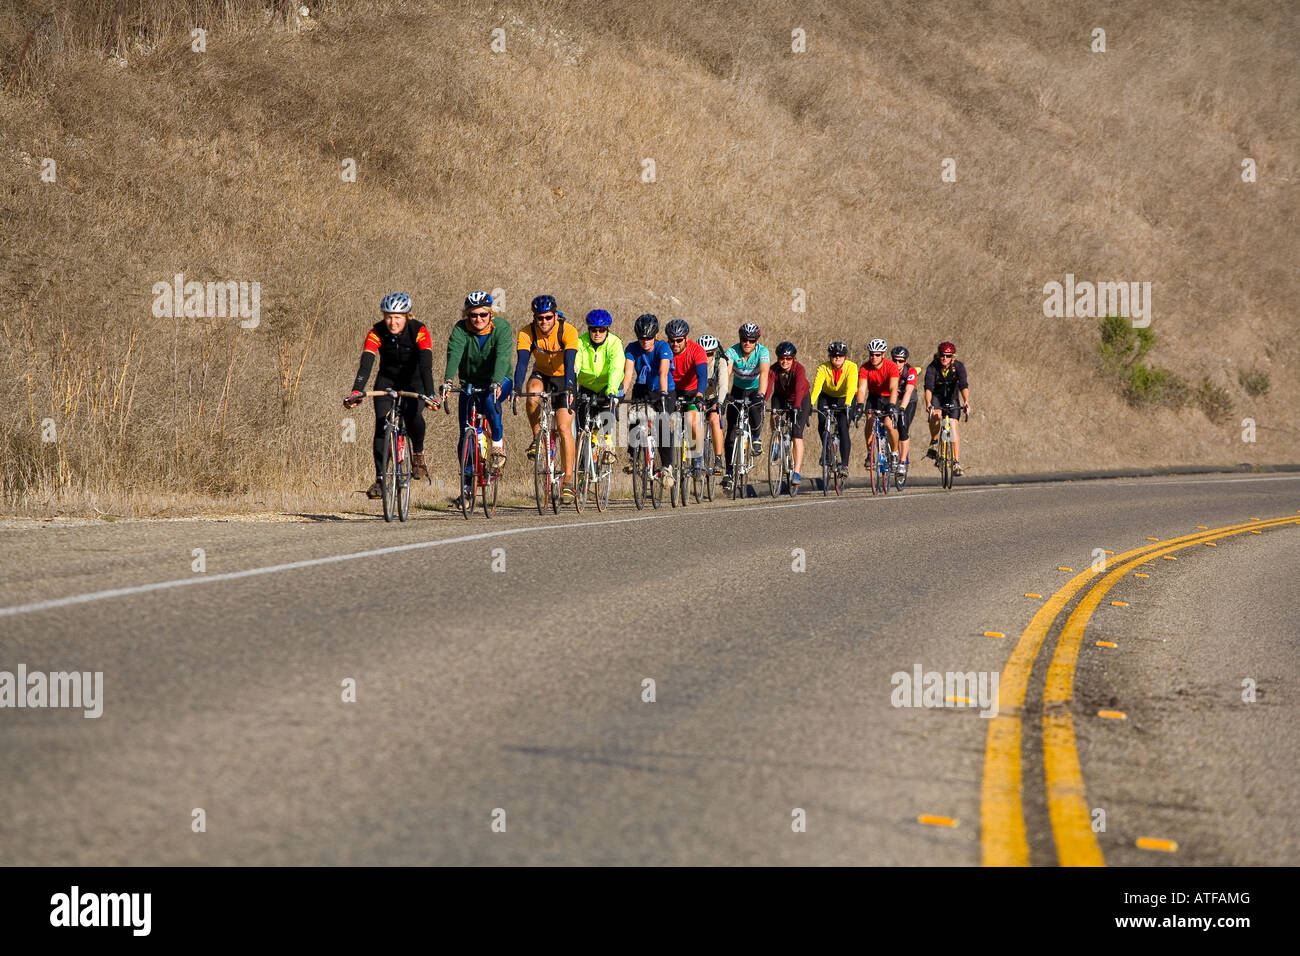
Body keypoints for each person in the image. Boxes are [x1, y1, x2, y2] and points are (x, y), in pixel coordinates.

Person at [344, 293, 438, 499]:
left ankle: (418, 455)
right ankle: (380, 480)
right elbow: (366, 362)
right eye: (388, 317)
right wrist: (356, 390)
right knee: (381, 425)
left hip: (414, 382)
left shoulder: (419, 330)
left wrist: (430, 394)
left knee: (414, 417)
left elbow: (425, 365)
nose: (392, 322)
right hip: (386, 381)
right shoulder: (376, 331)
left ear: (407, 316)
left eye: (397, 317)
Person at [442, 291, 513, 501]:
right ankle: (466, 487)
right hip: (470, 384)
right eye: (473, 315)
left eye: (483, 314)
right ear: (467, 315)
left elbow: (502, 356)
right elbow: (454, 353)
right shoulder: (460, 329)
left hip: (500, 379)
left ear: (491, 314)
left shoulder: (502, 328)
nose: (478, 319)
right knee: (466, 433)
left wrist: (497, 382)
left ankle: (497, 445)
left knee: (490, 401)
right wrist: (448, 381)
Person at [515, 294, 579, 502]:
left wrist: (569, 388)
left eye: (548, 317)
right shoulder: (527, 332)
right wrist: (516, 388)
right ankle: (537, 439)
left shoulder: (568, 331)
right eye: (539, 318)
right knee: (532, 392)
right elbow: (523, 363)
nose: (543, 322)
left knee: (562, 428)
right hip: (542, 373)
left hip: (564, 377)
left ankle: (568, 480)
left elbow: (570, 363)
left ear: (555, 316)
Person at [620, 313, 674, 483]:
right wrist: (620, 394)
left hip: (663, 389)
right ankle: (633, 457)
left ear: (656, 336)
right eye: (642, 338)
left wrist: (664, 397)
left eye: (649, 338)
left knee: (661, 424)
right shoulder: (631, 348)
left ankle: (667, 467)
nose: (645, 341)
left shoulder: (663, 347)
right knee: (634, 418)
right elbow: (628, 374)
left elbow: (663, 373)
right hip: (642, 388)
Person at [721, 322, 771, 491]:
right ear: (740, 339)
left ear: (756, 341)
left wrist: (762, 394)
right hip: (737, 390)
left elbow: (764, 373)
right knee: (730, 433)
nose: (747, 343)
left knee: (756, 407)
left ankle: (756, 439)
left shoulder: (762, 352)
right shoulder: (732, 352)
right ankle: (728, 471)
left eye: (751, 340)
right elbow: (726, 373)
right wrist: (724, 394)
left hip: (754, 389)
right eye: (744, 340)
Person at [574, 308, 624, 467]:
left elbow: (615, 369)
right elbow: (575, 365)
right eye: (593, 329)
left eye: (602, 330)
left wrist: (611, 391)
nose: (597, 333)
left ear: (607, 329)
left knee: (607, 412)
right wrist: (570, 387)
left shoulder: (615, 343)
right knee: (581, 426)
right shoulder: (580, 342)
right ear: (588, 329)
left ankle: (608, 444)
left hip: (608, 385)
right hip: (587, 386)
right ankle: (583, 467)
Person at [664, 319, 708, 478]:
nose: (675, 344)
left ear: (686, 338)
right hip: (672, 390)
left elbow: (702, 374)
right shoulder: (664, 350)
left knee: (692, 419)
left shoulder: (697, 350)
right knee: (665, 422)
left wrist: (700, 395)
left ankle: (696, 459)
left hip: (692, 391)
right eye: (672, 340)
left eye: (679, 340)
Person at [764, 341, 811, 488]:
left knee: (797, 434)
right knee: (774, 415)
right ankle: (777, 441)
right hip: (780, 397)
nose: (785, 361)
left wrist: (796, 407)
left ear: (794, 359)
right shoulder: (773, 369)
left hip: (800, 398)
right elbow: (768, 387)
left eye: (788, 358)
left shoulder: (799, 369)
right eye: (782, 358)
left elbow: (798, 389)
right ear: (778, 358)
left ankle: (796, 472)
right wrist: (763, 402)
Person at [809, 341, 858, 477]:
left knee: (843, 428)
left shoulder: (851, 367)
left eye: (841, 356)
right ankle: (828, 450)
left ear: (845, 357)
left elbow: (851, 387)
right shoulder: (823, 368)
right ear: (830, 357)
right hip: (827, 396)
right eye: (834, 356)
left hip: (845, 397)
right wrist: (810, 403)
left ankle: (845, 465)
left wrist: (848, 403)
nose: (837, 358)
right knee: (822, 424)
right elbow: (817, 387)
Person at [853, 337, 901, 472]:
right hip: (873, 397)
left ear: (883, 355)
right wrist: (859, 405)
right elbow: (862, 389)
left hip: (888, 397)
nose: (874, 357)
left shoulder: (891, 366)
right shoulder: (864, 367)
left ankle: (894, 453)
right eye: (871, 354)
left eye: (877, 355)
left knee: (888, 424)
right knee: (870, 421)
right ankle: (870, 453)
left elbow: (893, 387)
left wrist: (892, 405)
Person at [924, 340, 971, 475]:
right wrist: (928, 403)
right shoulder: (933, 367)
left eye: (948, 356)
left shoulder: (959, 367)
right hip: (937, 397)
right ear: (938, 355)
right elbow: (928, 387)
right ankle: (934, 441)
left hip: (952, 398)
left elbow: (963, 385)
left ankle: (956, 462)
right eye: (942, 355)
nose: (945, 358)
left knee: (953, 424)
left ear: (953, 357)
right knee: (936, 415)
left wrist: (966, 401)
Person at [698, 334, 728, 475]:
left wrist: (720, 403)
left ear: (714, 353)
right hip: (698, 396)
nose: (706, 357)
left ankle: (717, 459)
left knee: (715, 420)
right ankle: (695, 459)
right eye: (703, 353)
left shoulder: (720, 362)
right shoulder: (696, 360)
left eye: (709, 354)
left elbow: (723, 385)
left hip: (714, 397)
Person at [890, 345, 919, 478]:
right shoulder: (889, 369)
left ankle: (902, 462)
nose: (897, 364)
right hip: (894, 398)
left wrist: (902, 408)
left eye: (901, 361)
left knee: (903, 427)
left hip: (909, 400)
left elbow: (908, 391)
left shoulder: (910, 371)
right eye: (895, 360)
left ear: (905, 361)